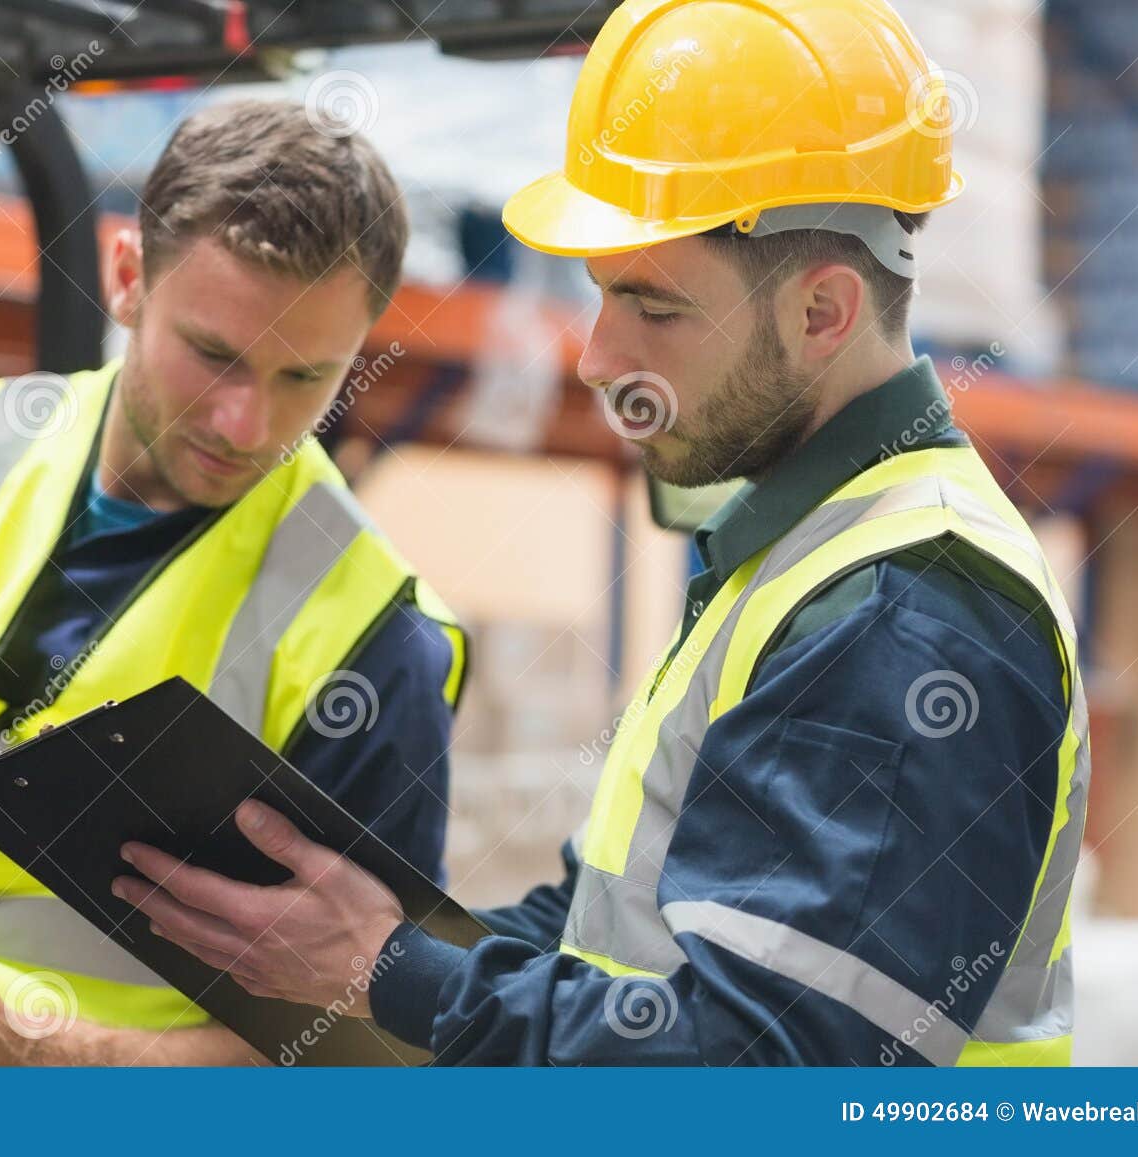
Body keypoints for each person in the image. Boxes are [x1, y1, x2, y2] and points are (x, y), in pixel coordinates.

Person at [110, 0, 1088, 1066]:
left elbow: (761, 1073)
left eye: (652, 306)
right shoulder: (796, 563)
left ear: (822, 312)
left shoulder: (904, 613)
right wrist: (364, 953)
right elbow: (609, 942)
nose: (595, 355)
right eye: (598, 294)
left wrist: (387, 967)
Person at [0, 100, 465, 1066]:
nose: (243, 423)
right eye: (214, 355)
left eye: (306, 377)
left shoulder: (375, 638)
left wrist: (42, 1047)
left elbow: (362, 1053)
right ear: (128, 278)